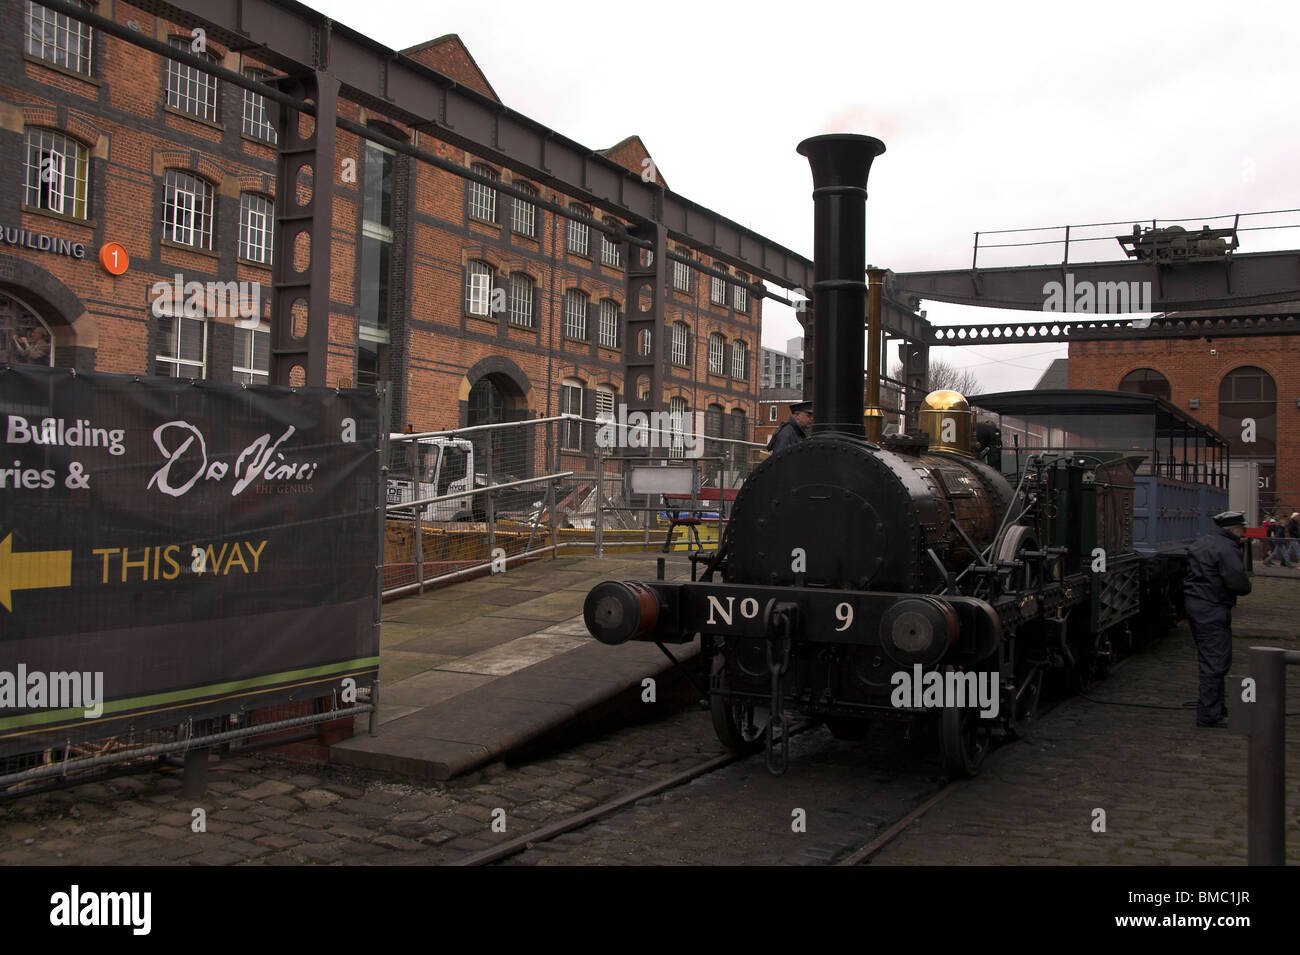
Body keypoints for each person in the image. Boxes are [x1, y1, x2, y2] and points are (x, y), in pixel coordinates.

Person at [1183, 511, 1252, 728]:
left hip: (1197, 604)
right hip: (1213, 605)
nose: (1243, 533)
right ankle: (1210, 713)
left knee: (1211, 657)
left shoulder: (1202, 543)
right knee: (1216, 660)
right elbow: (1238, 583)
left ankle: (1214, 707)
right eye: (1242, 529)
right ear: (1234, 529)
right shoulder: (1226, 548)